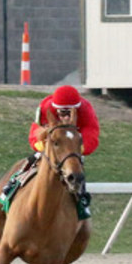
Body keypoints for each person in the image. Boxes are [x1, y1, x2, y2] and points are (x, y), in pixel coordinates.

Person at [19, 84, 100, 219]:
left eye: (71, 113)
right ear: (56, 110)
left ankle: (81, 200)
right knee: (34, 158)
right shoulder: (45, 108)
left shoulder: (86, 110)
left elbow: (92, 133)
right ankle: (11, 187)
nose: (67, 117)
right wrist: (42, 146)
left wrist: (78, 149)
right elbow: (34, 133)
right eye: (63, 113)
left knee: (77, 168)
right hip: (51, 146)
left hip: (72, 146)